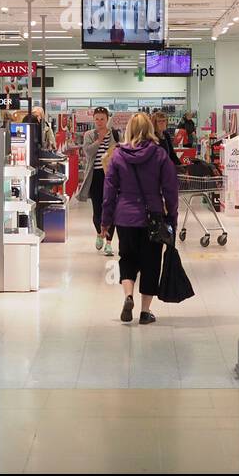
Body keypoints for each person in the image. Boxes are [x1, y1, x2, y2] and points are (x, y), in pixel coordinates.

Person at [100, 113, 180, 325]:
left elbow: (108, 191)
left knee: (127, 258)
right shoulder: (160, 154)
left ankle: (128, 296)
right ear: (151, 129)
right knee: (151, 263)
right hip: (152, 217)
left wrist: (105, 221)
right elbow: (170, 189)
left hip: (124, 217)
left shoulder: (117, 155)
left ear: (129, 130)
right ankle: (145, 312)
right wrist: (172, 216)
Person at [77, 107, 120, 256]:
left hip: (111, 177)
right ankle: (99, 233)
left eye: (102, 119)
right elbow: (87, 152)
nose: (100, 122)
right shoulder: (89, 134)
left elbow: (118, 153)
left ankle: (108, 243)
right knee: (98, 210)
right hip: (95, 177)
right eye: (97, 119)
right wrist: (99, 141)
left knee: (111, 210)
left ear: (107, 119)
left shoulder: (114, 134)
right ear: (93, 120)